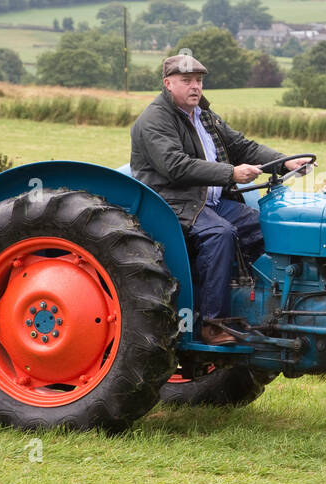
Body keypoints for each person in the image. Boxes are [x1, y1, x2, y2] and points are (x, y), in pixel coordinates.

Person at [130, 53, 313, 345]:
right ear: (168, 83)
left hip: (208, 200)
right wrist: (231, 173)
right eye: (186, 81)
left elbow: (242, 146)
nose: (195, 87)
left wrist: (284, 162)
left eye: (199, 81)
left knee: (266, 225)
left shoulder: (205, 116)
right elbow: (175, 166)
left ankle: (265, 307)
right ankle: (212, 322)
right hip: (173, 201)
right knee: (220, 234)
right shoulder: (155, 119)